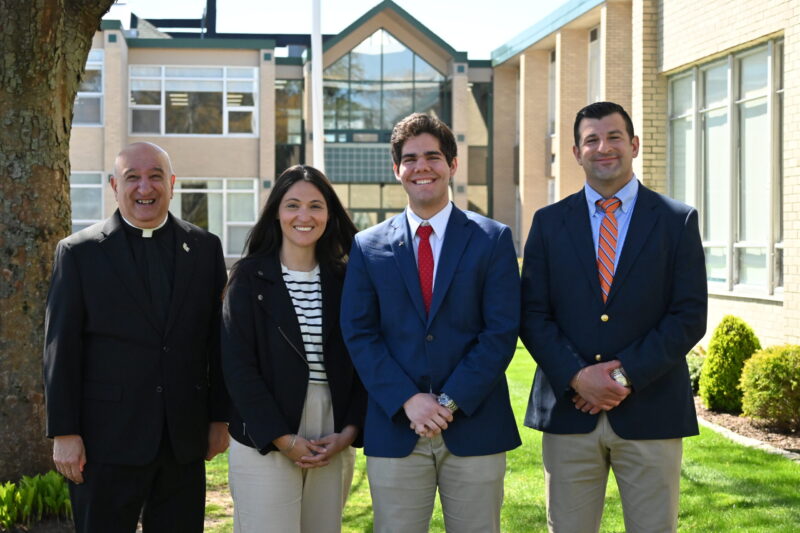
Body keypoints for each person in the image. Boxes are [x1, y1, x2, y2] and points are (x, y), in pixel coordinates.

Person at [519, 101, 708, 533]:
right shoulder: (548, 224)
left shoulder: (677, 221)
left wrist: (622, 378)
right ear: (576, 151)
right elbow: (532, 314)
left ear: (635, 144)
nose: (603, 147)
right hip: (569, 414)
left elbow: (688, 315)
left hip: (652, 411)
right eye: (592, 140)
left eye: (614, 137)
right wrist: (576, 376)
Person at [341, 113, 521, 533]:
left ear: (452, 165)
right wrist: (408, 399)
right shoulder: (368, 247)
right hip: (395, 427)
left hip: (475, 426)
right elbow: (359, 333)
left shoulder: (492, 239)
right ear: (396, 170)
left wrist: (447, 402)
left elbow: (500, 333)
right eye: (410, 159)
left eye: (433, 157)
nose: (421, 167)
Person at [43, 142, 230, 532]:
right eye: (132, 178)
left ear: (172, 184)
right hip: (104, 440)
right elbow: (61, 347)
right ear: (115, 185)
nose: (145, 187)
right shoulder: (79, 253)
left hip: (182, 438)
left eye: (155, 177)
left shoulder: (204, 248)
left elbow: (217, 340)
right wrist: (64, 431)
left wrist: (219, 417)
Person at [221, 165, 366, 533]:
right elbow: (237, 368)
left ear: (329, 214)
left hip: (332, 433)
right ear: (276, 213)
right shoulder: (248, 277)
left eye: (316, 206)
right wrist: (282, 439)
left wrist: (348, 432)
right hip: (265, 430)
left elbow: (366, 357)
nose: (304, 216)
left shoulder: (347, 278)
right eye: (293, 205)